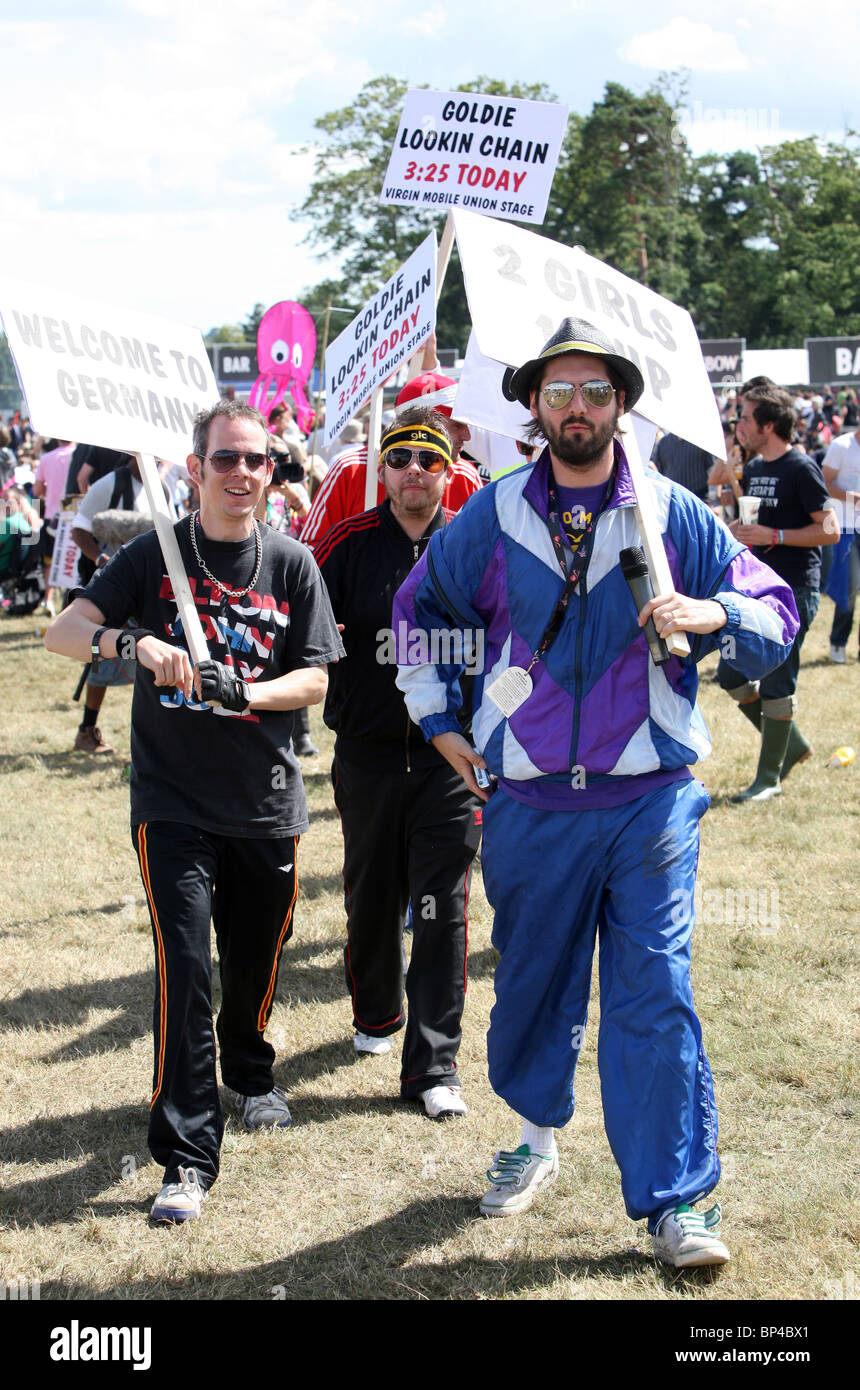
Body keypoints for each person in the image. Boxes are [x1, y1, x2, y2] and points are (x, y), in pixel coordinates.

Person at [392, 317, 798, 1267]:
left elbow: (776, 614)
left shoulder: (673, 512)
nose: (579, 409)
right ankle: (533, 1139)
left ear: (624, 404)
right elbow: (423, 617)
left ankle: (677, 1202)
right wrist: (444, 723)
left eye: (598, 392)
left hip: (649, 798)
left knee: (655, 989)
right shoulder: (489, 517)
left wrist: (716, 610)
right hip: (531, 804)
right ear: (534, 405)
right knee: (533, 987)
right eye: (561, 393)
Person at [45, 400, 344, 1224]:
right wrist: (131, 644)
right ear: (195, 466)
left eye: (259, 462)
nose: (243, 475)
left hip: (266, 802)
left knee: (253, 964)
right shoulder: (153, 557)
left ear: (273, 472)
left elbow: (317, 678)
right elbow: (63, 633)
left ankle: (250, 1071)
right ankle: (185, 1156)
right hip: (173, 804)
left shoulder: (291, 564)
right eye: (226, 460)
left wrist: (242, 689)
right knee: (186, 972)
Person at [316, 406, 482, 1119]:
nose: (415, 471)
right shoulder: (347, 543)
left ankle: (433, 1066)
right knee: (372, 898)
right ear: (380, 469)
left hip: (452, 764)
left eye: (430, 460)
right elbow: (302, 630)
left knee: (442, 910)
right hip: (369, 754)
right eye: (401, 457)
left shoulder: (478, 545)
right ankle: (377, 1015)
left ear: (452, 472)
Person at [719, 383, 836, 800]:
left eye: (746, 418)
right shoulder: (752, 469)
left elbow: (830, 530)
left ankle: (768, 779)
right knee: (730, 673)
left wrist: (777, 534)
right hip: (759, 588)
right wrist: (737, 533)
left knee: (775, 679)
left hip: (796, 588)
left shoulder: (800, 467)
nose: (739, 425)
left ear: (769, 424)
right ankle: (792, 746)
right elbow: (757, 528)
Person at [300, 371, 482, 552]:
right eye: (458, 424)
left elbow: (482, 556)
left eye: (430, 462)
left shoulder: (466, 476)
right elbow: (311, 552)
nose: (467, 435)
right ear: (424, 424)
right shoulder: (349, 469)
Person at [821, 420, 860, 662]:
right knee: (850, 587)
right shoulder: (841, 446)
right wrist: (852, 497)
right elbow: (825, 482)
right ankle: (838, 642)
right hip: (846, 526)